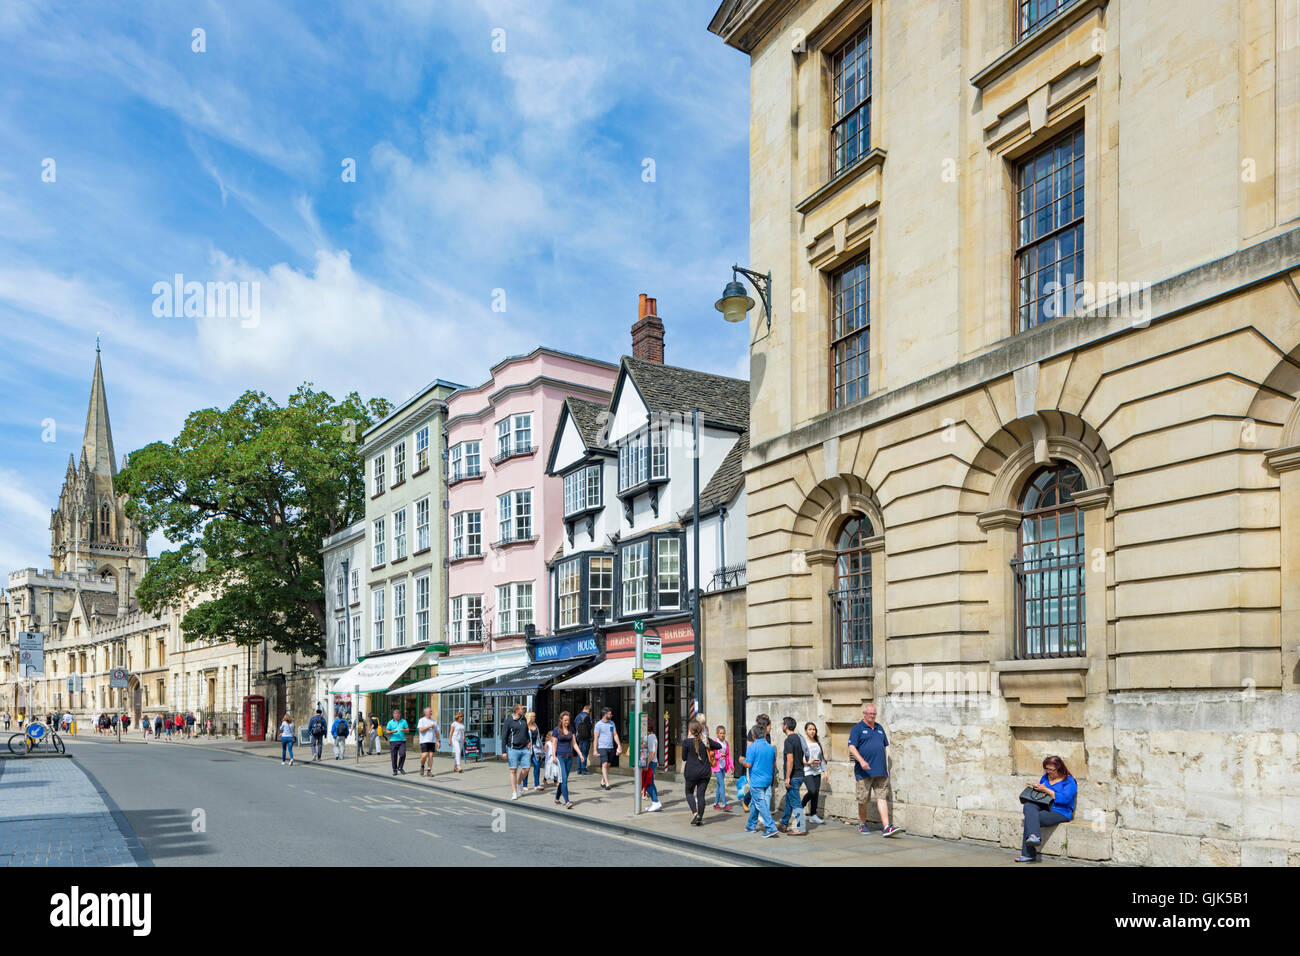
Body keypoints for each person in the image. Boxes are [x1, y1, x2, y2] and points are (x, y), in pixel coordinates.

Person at [847, 703, 901, 837]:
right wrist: (862, 761)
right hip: (864, 771)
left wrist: (884, 766)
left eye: (874, 714)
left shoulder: (879, 728)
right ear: (864, 714)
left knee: (882, 797)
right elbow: (852, 747)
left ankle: (887, 827)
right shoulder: (857, 729)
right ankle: (862, 823)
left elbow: (883, 747)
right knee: (863, 799)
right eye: (870, 713)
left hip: (880, 771)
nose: (872, 716)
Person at [1016, 755, 1078, 863]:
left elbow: (1065, 799)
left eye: (1051, 770)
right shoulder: (1045, 777)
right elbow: (1040, 795)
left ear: (1060, 768)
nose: (1048, 772)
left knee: (1032, 818)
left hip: (1061, 811)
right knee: (1028, 806)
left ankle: (1028, 853)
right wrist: (1037, 787)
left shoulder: (1069, 781)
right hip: (1044, 806)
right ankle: (1034, 837)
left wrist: (1046, 789)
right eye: (1047, 769)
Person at [682, 719, 722, 825]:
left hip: (691, 772)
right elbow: (719, 746)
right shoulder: (706, 740)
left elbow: (684, 758)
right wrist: (709, 743)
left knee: (689, 792)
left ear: (690, 730)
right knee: (701, 795)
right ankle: (700, 816)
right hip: (705, 772)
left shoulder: (686, 742)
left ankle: (695, 814)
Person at [742, 723, 779, 838]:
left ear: (753, 736)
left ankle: (770, 827)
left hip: (757, 780)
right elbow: (773, 764)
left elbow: (748, 764)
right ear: (763, 734)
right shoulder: (770, 748)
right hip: (768, 779)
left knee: (760, 803)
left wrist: (741, 760)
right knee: (754, 803)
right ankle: (751, 825)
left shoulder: (751, 747)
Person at [777, 717, 808, 835]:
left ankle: (801, 827)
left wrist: (788, 777)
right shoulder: (799, 738)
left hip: (793, 776)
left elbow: (790, 760)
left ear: (785, 725)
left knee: (795, 803)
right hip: (800, 774)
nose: (781, 726)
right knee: (789, 801)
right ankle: (784, 823)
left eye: (782, 724)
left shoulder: (789, 740)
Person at [501, 703, 531, 798]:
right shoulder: (509, 721)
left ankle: (519, 783)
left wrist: (528, 741)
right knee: (513, 770)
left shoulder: (523, 719)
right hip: (512, 749)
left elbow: (526, 732)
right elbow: (504, 737)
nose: (524, 710)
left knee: (526, 769)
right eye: (522, 709)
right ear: (517, 711)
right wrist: (504, 752)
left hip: (524, 748)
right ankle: (514, 792)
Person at [551, 711, 579, 809]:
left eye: (568, 720)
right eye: (565, 720)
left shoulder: (571, 729)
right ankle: (567, 801)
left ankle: (557, 798)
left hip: (569, 757)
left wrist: (580, 754)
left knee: (564, 779)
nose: (567, 722)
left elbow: (574, 743)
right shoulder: (556, 730)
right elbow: (554, 744)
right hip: (560, 757)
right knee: (563, 779)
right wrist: (554, 756)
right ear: (561, 720)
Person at [801, 722, 826, 824]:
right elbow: (800, 758)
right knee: (811, 791)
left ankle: (813, 815)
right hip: (807, 770)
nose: (812, 731)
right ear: (806, 731)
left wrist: (826, 771)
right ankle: (800, 806)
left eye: (814, 729)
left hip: (817, 770)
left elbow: (822, 758)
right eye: (810, 729)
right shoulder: (804, 743)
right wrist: (808, 762)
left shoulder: (817, 742)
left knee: (816, 793)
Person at [593, 707, 621, 791]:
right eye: (609, 714)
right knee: (604, 764)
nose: (611, 715)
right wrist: (595, 749)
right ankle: (607, 784)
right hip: (602, 747)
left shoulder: (612, 723)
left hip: (610, 747)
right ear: (605, 714)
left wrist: (619, 745)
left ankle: (602, 781)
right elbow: (596, 738)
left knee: (608, 765)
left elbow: (615, 734)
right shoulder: (598, 724)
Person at [711, 725, 734, 810]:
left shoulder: (726, 743)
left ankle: (715, 804)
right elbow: (712, 756)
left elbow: (728, 756)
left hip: (723, 766)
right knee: (722, 784)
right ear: (717, 734)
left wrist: (732, 767)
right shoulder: (714, 742)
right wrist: (720, 755)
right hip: (716, 767)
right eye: (720, 733)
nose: (722, 735)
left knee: (719, 785)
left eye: (723, 733)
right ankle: (724, 804)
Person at [641, 720, 661, 812]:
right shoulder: (650, 736)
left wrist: (646, 764)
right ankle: (655, 802)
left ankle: (655, 802)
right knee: (650, 783)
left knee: (648, 783)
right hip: (651, 762)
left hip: (650, 763)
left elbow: (652, 753)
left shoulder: (651, 737)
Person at [417, 707, 441, 777]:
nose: (431, 713)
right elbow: (420, 730)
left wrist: (439, 741)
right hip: (424, 740)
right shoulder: (421, 720)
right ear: (426, 712)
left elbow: (437, 731)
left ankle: (429, 771)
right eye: (430, 711)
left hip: (432, 740)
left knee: (431, 756)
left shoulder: (434, 720)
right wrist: (429, 727)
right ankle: (422, 766)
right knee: (424, 755)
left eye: (431, 711)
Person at [385, 708, 409, 776]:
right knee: (394, 756)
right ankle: (394, 770)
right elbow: (387, 731)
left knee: (403, 754)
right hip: (393, 741)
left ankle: (400, 767)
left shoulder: (403, 721)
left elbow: (407, 729)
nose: (396, 716)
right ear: (393, 715)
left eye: (397, 715)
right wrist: (392, 731)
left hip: (402, 741)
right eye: (395, 714)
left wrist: (404, 730)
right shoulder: (390, 722)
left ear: (400, 715)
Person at [526, 711, 545, 792]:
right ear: (529, 717)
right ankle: (524, 785)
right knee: (526, 767)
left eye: (535, 716)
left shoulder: (535, 725)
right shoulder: (525, 726)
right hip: (527, 749)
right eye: (533, 716)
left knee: (537, 765)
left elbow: (538, 737)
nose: (535, 718)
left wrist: (542, 746)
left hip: (536, 748)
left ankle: (537, 785)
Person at [573, 703, 593, 774]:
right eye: (589, 711)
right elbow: (589, 727)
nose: (589, 713)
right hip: (585, 737)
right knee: (584, 753)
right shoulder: (586, 717)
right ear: (587, 710)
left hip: (579, 736)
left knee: (580, 753)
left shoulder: (577, 716)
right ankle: (584, 769)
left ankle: (579, 769)